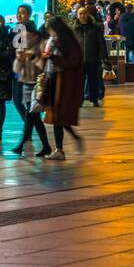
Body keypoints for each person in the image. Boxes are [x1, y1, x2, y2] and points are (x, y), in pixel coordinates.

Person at [41, 16, 85, 160]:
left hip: (64, 82)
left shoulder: (67, 41)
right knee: (56, 116)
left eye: (51, 29)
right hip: (54, 79)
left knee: (58, 116)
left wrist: (51, 57)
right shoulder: (55, 40)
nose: (50, 32)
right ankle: (63, 147)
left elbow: (72, 61)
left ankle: (60, 149)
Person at [10, 28, 52, 158]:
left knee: (30, 116)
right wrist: (19, 59)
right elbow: (16, 69)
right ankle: (46, 147)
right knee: (34, 118)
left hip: (38, 85)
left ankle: (21, 145)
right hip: (26, 85)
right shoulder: (21, 46)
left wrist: (33, 57)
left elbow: (44, 65)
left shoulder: (42, 44)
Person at [73, 3, 106, 108]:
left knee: (93, 81)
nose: (83, 16)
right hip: (78, 60)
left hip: (93, 59)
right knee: (79, 82)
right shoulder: (73, 28)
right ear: (77, 15)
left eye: (85, 13)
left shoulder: (95, 27)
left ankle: (95, 99)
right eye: (80, 14)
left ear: (88, 15)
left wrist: (103, 58)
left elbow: (101, 43)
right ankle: (79, 100)